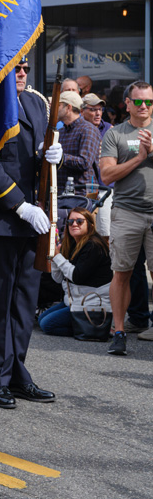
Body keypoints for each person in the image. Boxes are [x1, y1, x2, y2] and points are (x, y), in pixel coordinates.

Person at [0, 56, 63, 409]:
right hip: (3, 216)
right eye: (15, 69)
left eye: (24, 69)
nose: (21, 74)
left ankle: (19, 371)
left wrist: (55, 157)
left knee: (25, 301)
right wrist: (21, 205)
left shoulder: (37, 102)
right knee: (0, 301)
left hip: (34, 218)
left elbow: (37, 159)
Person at [98, 80, 153, 356]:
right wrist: (139, 158)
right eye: (139, 101)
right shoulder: (115, 134)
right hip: (126, 212)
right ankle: (119, 332)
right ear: (128, 103)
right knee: (122, 274)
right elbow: (106, 175)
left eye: (149, 102)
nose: (144, 107)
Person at [38, 207, 112, 337]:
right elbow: (59, 279)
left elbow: (76, 276)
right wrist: (55, 260)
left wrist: (57, 257)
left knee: (47, 324)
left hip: (93, 303)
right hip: (77, 300)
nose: (74, 224)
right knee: (41, 319)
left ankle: (93, 328)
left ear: (90, 225)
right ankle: (85, 326)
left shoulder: (93, 245)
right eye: (70, 222)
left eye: (79, 221)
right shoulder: (73, 244)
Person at [57, 90, 102, 197]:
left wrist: (61, 157)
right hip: (63, 194)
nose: (54, 109)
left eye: (58, 105)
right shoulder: (61, 132)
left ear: (68, 107)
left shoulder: (88, 129)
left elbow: (85, 162)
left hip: (86, 196)